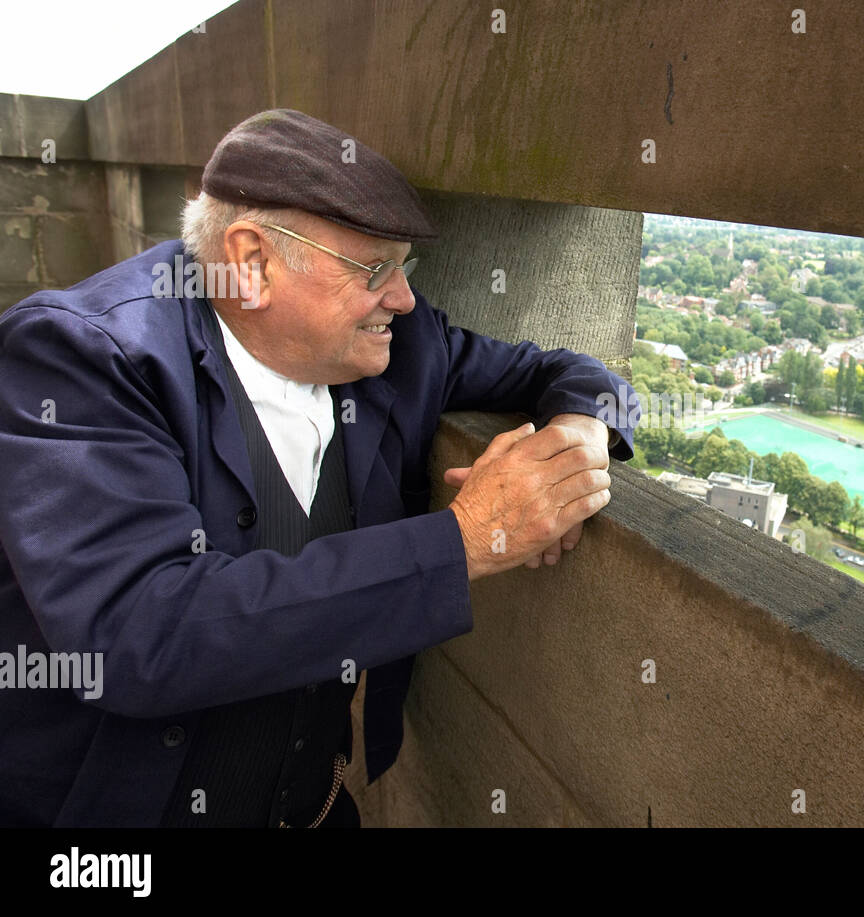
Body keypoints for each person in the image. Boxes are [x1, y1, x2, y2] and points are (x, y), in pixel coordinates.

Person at [0, 109, 638, 827]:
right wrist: (464, 541)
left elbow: (567, 368)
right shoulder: (84, 358)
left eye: (406, 267)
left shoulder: (398, 341)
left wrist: (584, 430)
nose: (401, 297)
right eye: (374, 269)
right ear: (251, 262)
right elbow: (136, 632)